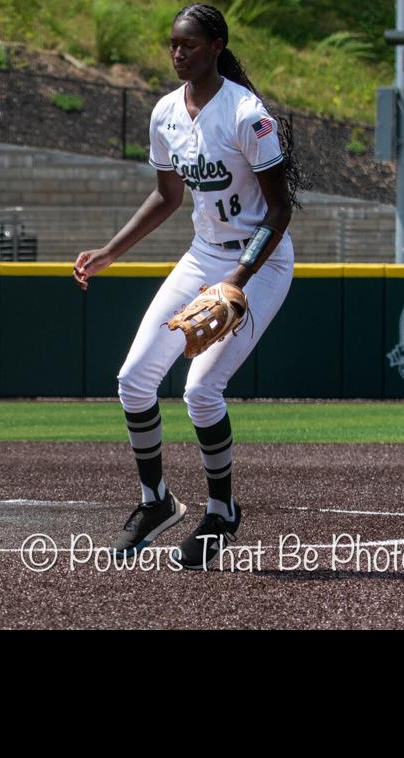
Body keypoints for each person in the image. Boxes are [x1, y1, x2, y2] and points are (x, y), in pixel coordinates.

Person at [74, 3, 299, 570]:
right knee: (133, 380)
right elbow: (168, 197)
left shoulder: (247, 115)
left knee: (200, 391)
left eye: (190, 45)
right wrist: (110, 251)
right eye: (173, 44)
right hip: (201, 258)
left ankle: (222, 510)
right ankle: (156, 503)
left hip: (260, 264)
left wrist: (237, 282)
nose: (178, 53)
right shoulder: (166, 112)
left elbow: (279, 211)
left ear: (217, 46)